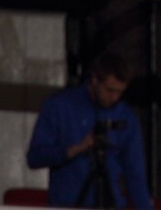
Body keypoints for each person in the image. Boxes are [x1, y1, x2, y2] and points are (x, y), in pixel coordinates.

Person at [25, 53, 151, 210]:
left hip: (110, 204)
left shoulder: (126, 117)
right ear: (94, 80)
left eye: (120, 92)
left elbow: (135, 173)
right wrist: (73, 150)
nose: (114, 97)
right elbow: (35, 157)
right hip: (67, 204)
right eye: (109, 90)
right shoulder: (59, 106)